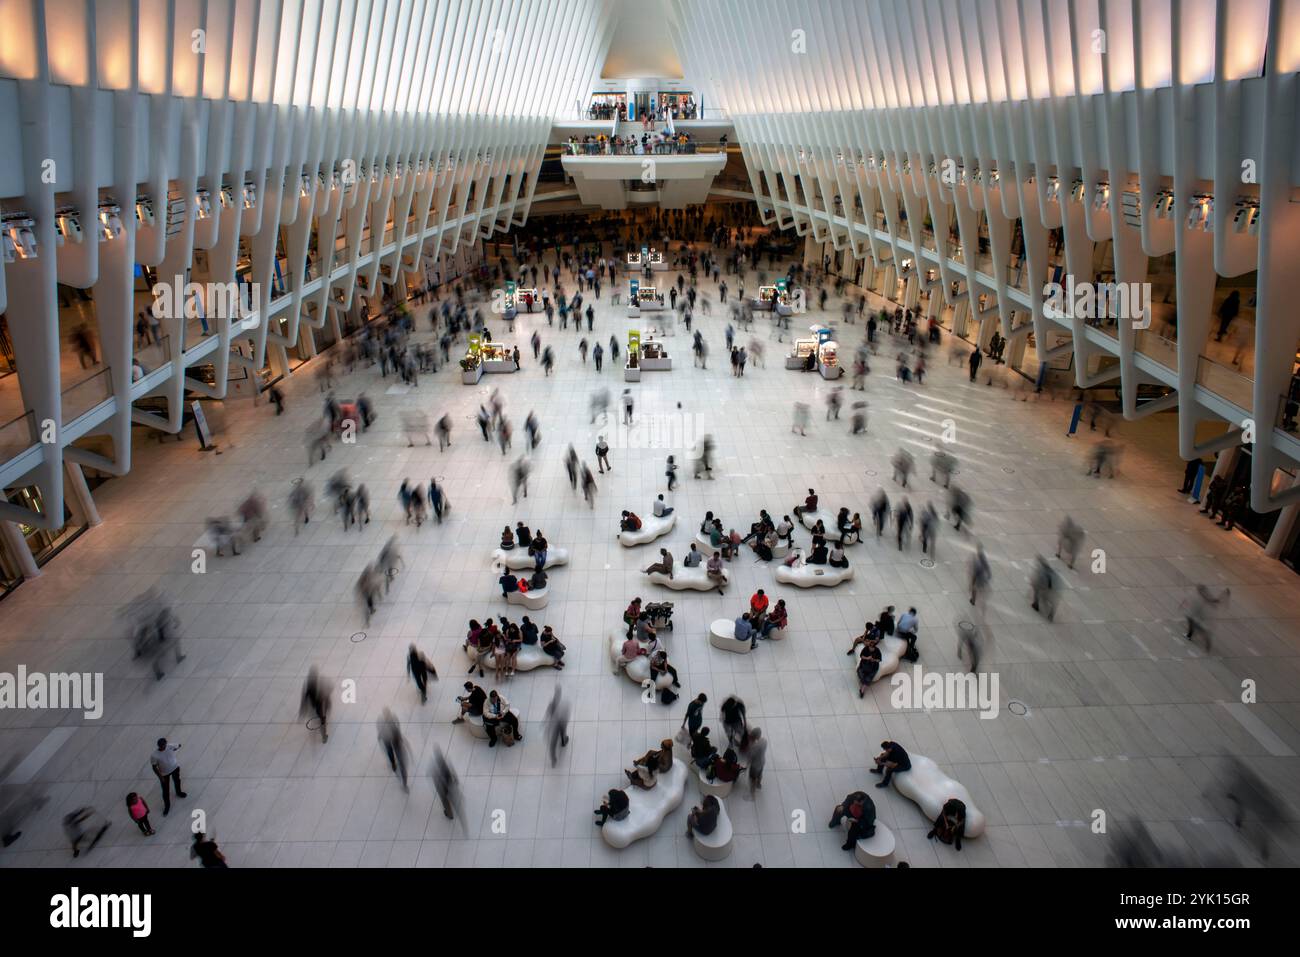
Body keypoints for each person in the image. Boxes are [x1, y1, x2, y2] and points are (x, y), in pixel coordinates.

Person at [149, 738, 187, 816]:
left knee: (177, 781)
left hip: (175, 768)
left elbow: (178, 745)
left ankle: (178, 792)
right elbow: (154, 767)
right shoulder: (154, 755)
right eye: (162, 745)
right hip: (164, 774)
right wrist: (160, 777)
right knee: (165, 791)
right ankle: (167, 806)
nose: (164, 746)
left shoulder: (169, 746)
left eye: (164, 744)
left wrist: (176, 747)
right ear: (159, 746)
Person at [377, 708, 409, 791]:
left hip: (392, 739)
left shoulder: (385, 720)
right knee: (390, 752)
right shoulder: (385, 720)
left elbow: (397, 726)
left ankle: (394, 764)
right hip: (390, 739)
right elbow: (397, 726)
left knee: (390, 752)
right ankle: (394, 763)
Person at [431, 747, 463, 822]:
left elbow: (436, 777)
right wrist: (456, 779)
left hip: (442, 786)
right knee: (450, 795)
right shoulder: (445, 761)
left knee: (445, 800)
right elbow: (451, 770)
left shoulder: (435, 766)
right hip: (449, 782)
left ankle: (449, 814)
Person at [301, 666, 332, 741]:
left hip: (319, 704)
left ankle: (324, 733)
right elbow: (330, 687)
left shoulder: (310, 684)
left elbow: (305, 697)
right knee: (322, 718)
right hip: (320, 703)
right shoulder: (319, 681)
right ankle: (324, 734)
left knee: (322, 717)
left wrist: (303, 709)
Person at [544, 685, 571, 767]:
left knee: (553, 744)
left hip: (556, 724)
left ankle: (553, 759)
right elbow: (566, 713)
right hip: (559, 723)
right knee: (558, 737)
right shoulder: (562, 703)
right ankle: (563, 741)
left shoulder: (552, 704)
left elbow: (548, 714)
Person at [744, 727, 767, 791]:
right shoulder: (764, 741)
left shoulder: (753, 747)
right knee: (760, 774)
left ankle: (752, 790)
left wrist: (747, 765)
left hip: (755, 765)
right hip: (762, 762)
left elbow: (750, 757)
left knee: (752, 777)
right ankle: (758, 784)